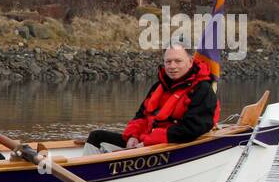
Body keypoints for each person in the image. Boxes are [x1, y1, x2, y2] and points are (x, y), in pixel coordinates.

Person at [85, 43, 220, 153]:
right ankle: (84, 177)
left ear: (190, 62)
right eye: (168, 62)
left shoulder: (203, 89)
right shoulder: (158, 87)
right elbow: (141, 116)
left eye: (178, 61)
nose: (172, 66)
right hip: (145, 142)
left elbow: (193, 128)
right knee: (97, 137)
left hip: (169, 145)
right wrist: (133, 136)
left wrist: (149, 141)